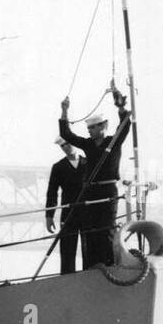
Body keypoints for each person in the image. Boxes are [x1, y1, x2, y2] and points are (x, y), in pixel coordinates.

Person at [57, 89, 130, 268]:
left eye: (92, 127)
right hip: (90, 191)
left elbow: (125, 125)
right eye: (88, 128)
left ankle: (108, 265)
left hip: (107, 190)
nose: (89, 131)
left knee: (106, 229)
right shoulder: (88, 145)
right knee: (90, 230)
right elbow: (67, 135)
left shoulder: (113, 142)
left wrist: (121, 107)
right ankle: (92, 267)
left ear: (103, 126)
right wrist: (65, 111)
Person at [45, 136, 87, 274]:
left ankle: (90, 276)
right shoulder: (58, 167)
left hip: (87, 211)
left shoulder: (88, 163)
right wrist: (49, 216)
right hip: (68, 212)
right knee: (67, 250)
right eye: (62, 146)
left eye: (68, 144)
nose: (66, 147)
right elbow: (52, 191)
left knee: (89, 248)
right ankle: (67, 278)